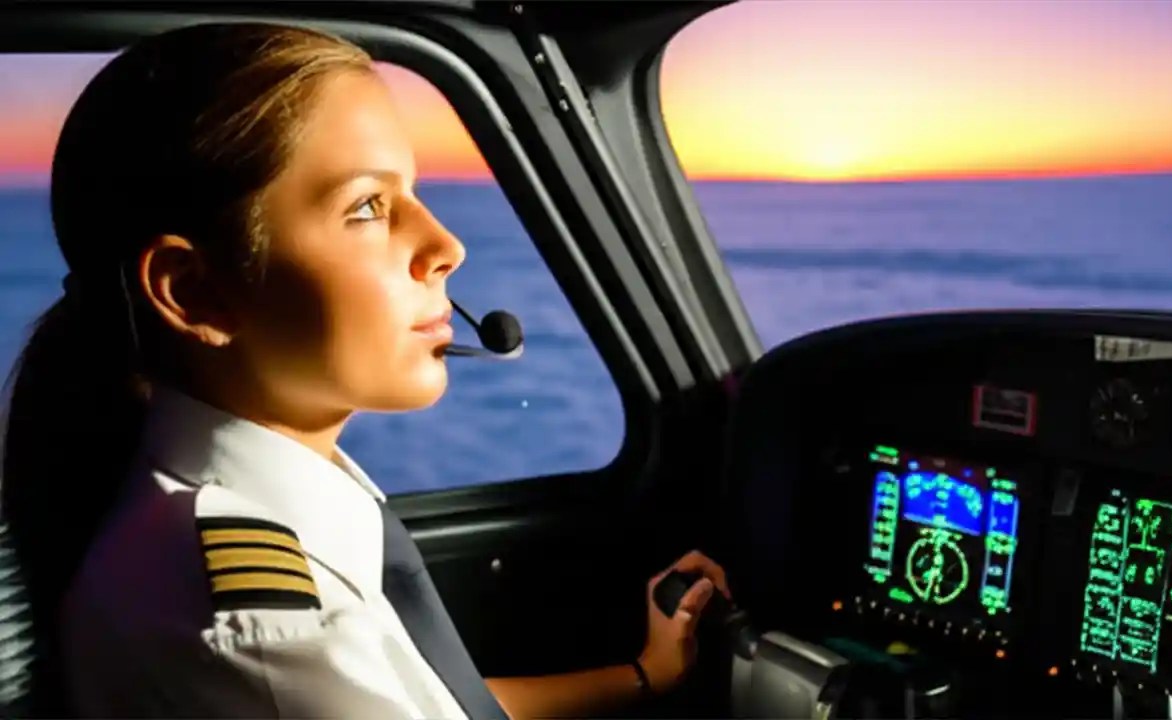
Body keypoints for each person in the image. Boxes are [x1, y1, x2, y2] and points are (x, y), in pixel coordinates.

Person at [0, 21, 732, 719]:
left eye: (411, 194)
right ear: (196, 293)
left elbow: (431, 702)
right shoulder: (264, 633)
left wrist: (641, 678)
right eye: (367, 208)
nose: (446, 246)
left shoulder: (275, 495)